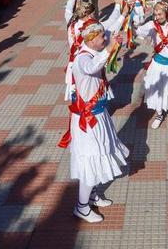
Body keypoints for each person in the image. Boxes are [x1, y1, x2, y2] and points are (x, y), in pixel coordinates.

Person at [57, 23, 128, 224]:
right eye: (102, 37)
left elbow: (100, 58)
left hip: (98, 115)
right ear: (90, 39)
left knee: (99, 155)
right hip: (87, 120)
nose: (104, 39)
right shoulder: (82, 58)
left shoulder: (91, 52)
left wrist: (114, 44)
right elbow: (92, 67)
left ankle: (92, 195)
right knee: (91, 160)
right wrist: (109, 48)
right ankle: (82, 207)